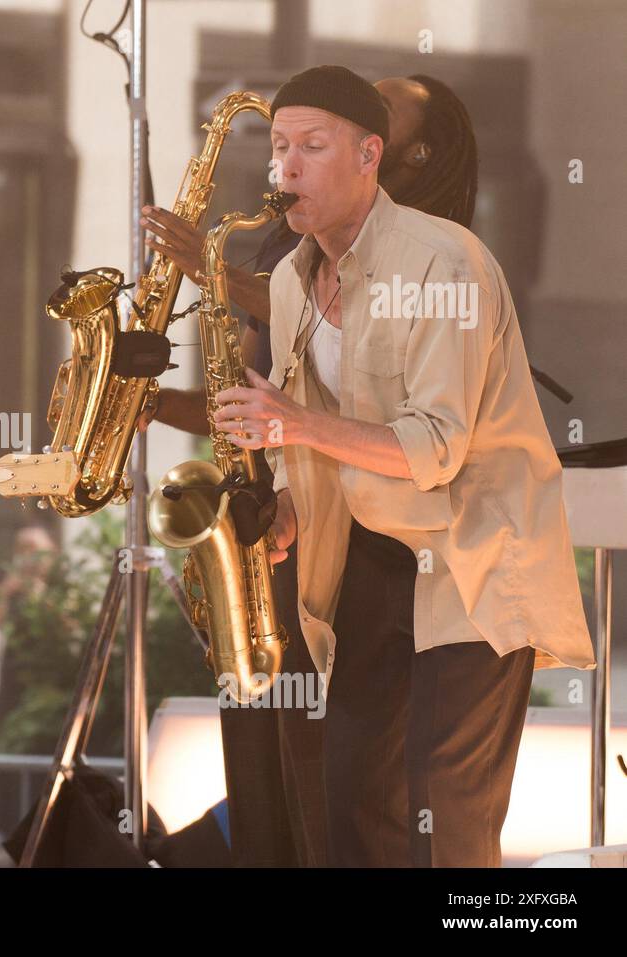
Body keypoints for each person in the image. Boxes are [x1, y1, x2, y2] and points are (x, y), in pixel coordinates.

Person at [211, 65, 593, 867]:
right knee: (351, 808)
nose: (287, 168)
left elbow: (435, 446)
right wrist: (283, 506)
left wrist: (295, 424)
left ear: (369, 155)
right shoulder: (287, 280)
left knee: (446, 821)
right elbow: (304, 447)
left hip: (471, 561)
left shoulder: (442, 263)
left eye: (313, 147)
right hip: (368, 558)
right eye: (279, 147)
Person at [139, 73, 481, 868]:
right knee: (281, 765)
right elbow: (256, 386)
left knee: (357, 788)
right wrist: (145, 403)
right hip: (285, 515)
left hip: (377, 540)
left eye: (385, 101)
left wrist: (210, 267)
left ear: (397, 149)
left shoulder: (427, 250)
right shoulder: (297, 245)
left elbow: (357, 356)